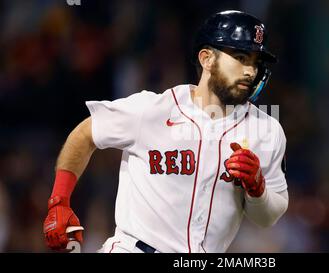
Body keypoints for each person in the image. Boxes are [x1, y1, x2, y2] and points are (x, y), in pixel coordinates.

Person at [43, 10, 288, 253]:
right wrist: (59, 201)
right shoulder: (153, 109)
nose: (250, 71)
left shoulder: (266, 130)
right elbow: (86, 133)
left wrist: (258, 189)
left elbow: (268, 217)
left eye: (256, 62)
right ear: (207, 59)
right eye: (241, 57)